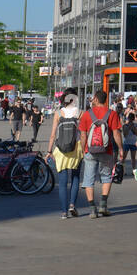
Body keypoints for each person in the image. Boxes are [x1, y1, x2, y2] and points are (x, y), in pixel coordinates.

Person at [79, 90, 122, 217]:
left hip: (90, 150)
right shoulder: (112, 113)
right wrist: (120, 148)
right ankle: (103, 205)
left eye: (93, 98)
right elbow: (116, 133)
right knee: (106, 177)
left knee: (88, 179)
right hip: (106, 150)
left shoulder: (87, 114)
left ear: (96, 99)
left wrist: (83, 149)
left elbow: (82, 135)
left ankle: (92, 209)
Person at [47, 88, 83, 219]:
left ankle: (63, 212)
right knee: (75, 177)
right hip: (76, 148)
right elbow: (83, 134)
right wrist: (85, 149)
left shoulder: (58, 113)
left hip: (61, 150)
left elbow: (52, 135)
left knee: (62, 182)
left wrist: (49, 151)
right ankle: (72, 205)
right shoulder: (80, 113)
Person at [120, 104, 137, 174]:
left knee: (133, 158)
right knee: (124, 157)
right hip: (126, 143)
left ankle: (134, 170)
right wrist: (129, 127)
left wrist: (133, 128)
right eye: (130, 118)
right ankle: (122, 171)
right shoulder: (125, 125)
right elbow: (125, 135)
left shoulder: (136, 125)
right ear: (128, 118)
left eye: (132, 118)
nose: (131, 120)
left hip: (133, 143)